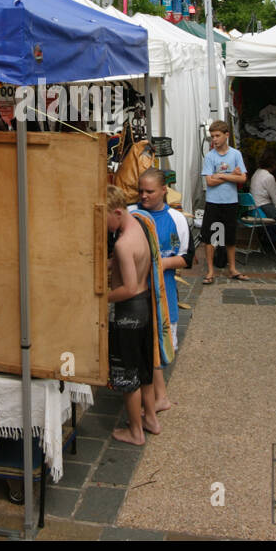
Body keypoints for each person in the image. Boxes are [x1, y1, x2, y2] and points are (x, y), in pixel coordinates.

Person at [105, 186, 160, 445]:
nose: (103, 226)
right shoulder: (138, 225)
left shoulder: (122, 244)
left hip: (129, 313)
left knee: (127, 375)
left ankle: (136, 432)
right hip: (144, 308)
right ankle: (150, 418)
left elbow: (127, 288)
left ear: (116, 212)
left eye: (104, 220)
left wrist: (101, 298)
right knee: (144, 369)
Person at [130, 168, 186, 414]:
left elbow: (186, 257)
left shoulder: (177, 219)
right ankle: (156, 398)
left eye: (149, 191)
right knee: (144, 347)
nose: (144, 196)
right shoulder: (131, 214)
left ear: (164, 190)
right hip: (137, 294)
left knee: (156, 347)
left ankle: (156, 399)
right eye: (140, 191)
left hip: (164, 293)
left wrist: (158, 264)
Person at [201, 119, 248, 283]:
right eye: (212, 136)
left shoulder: (236, 154)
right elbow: (209, 181)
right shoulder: (209, 156)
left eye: (217, 136)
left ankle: (232, 268)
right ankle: (210, 271)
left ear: (226, 135)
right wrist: (231, 176)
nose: (214, 139)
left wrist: (221, 175)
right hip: (213, 201)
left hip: (230, 201)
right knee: (210, 237)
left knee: (230, 236)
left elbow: (242, 177)